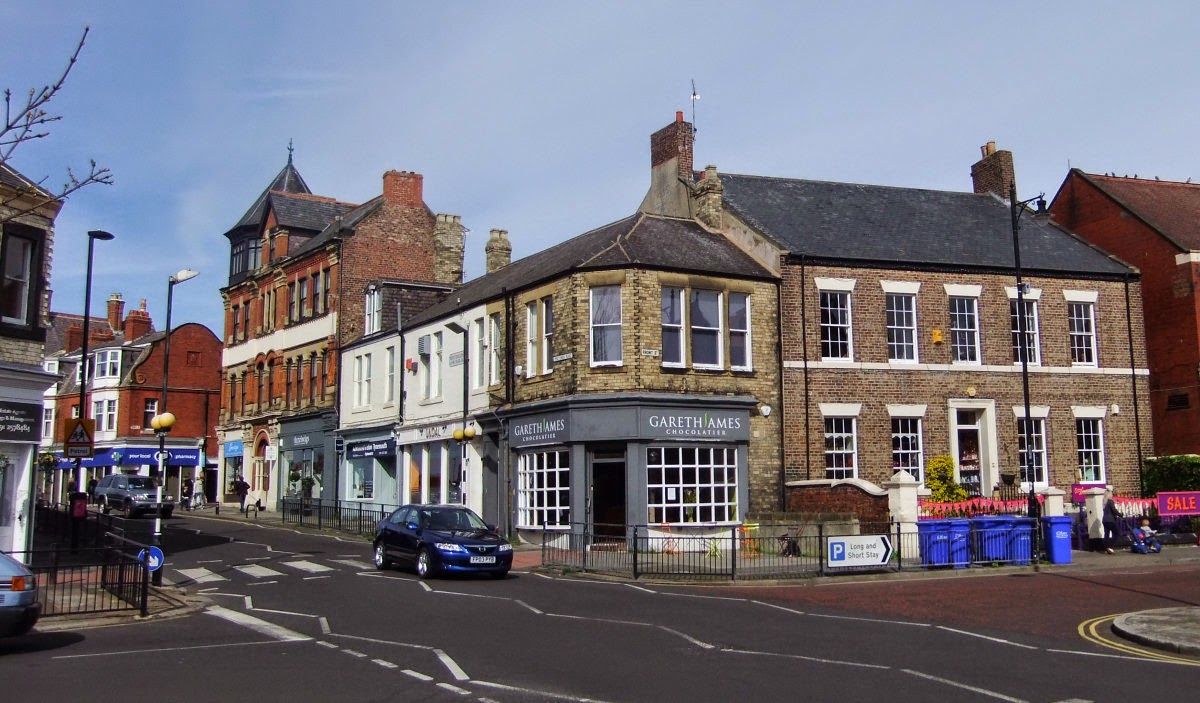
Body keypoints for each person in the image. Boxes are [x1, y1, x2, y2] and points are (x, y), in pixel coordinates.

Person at [1101, 490, 1122, 554]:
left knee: (1106, 535)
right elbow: (1114, 510)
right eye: (1111, 494)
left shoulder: (1104, 502)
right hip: (1111, 521)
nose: (1112, 495)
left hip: (1104, 520)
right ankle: (1110, 547)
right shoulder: (1110, 501)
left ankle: (1106, 548)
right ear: (1109, 495)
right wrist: (1120, 514)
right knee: (1117, 533)